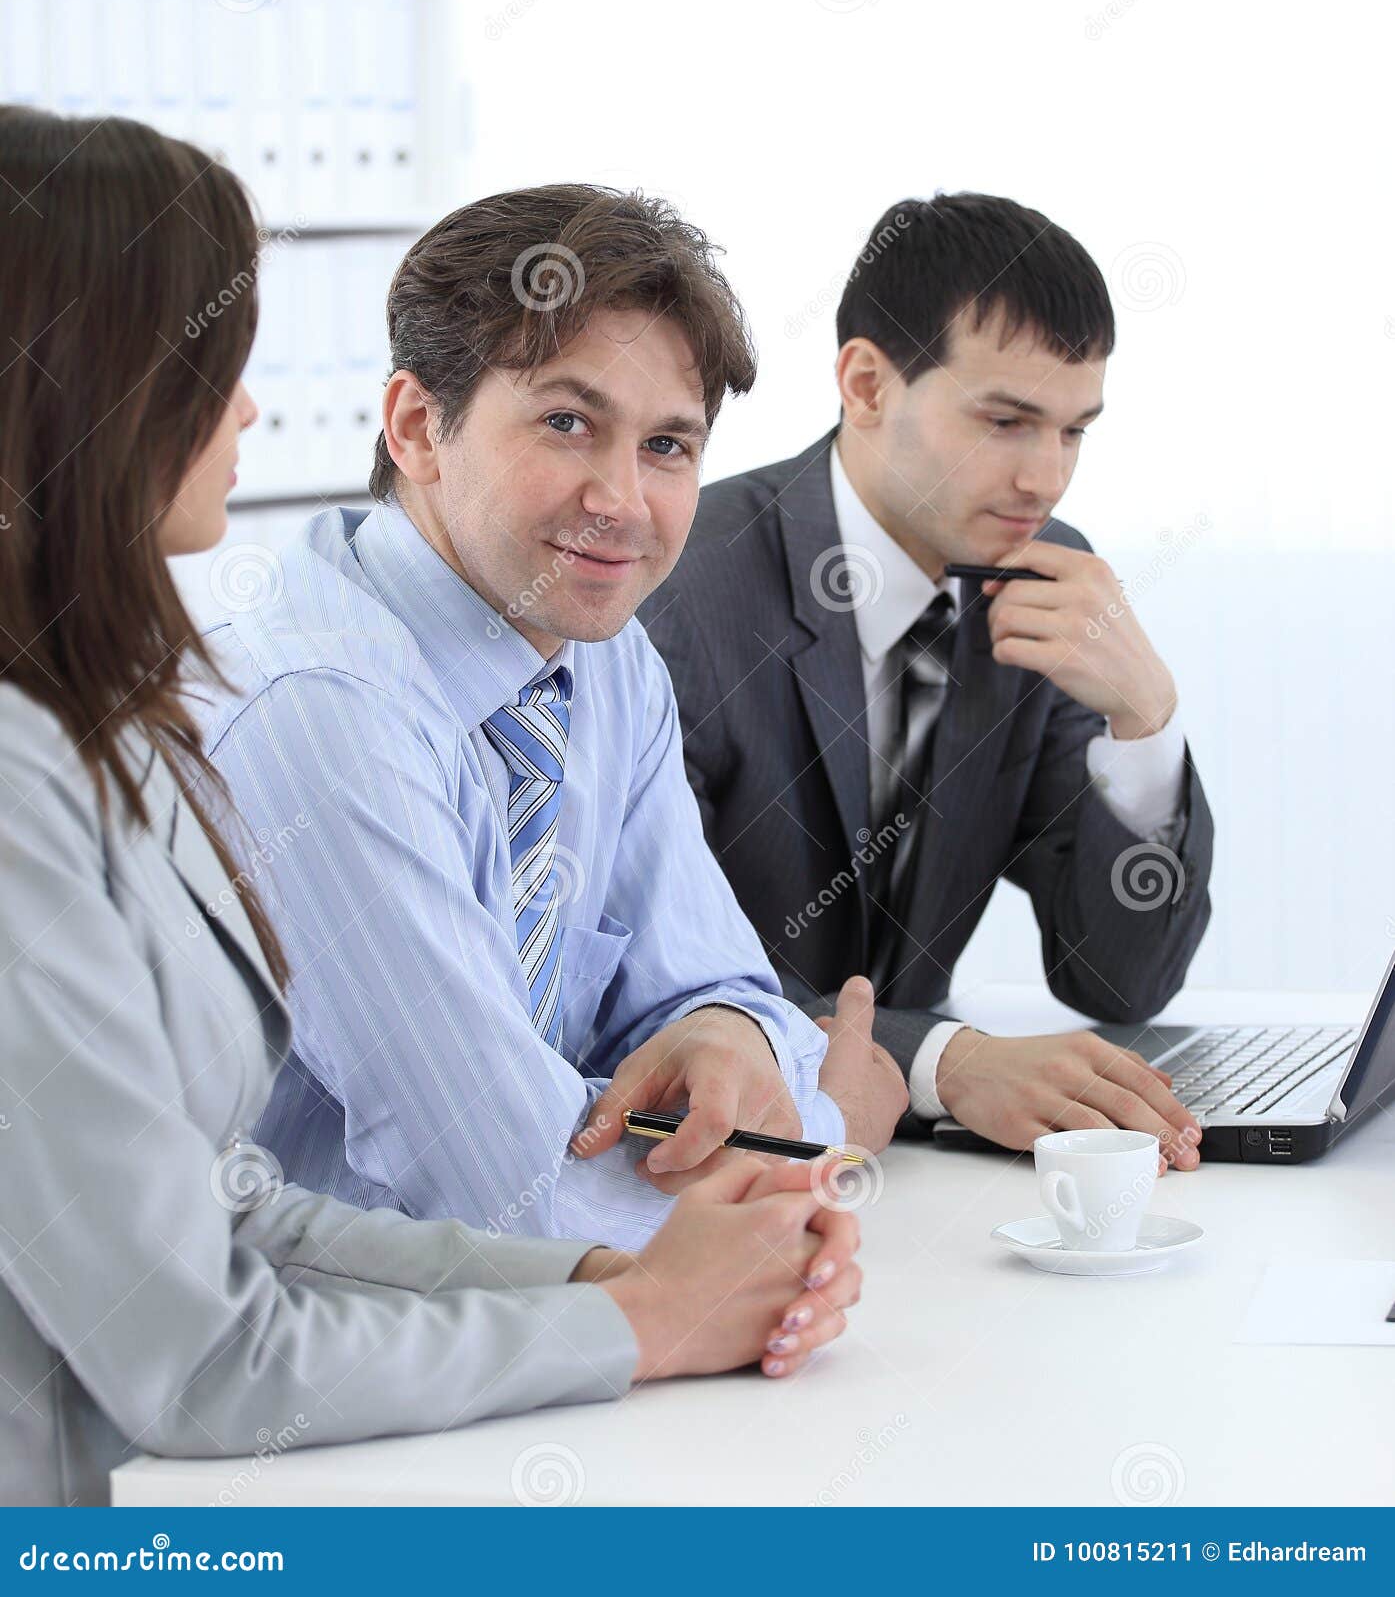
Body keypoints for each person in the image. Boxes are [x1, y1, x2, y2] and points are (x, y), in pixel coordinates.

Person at [0, 109, 863, 1507]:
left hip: (362, 1412)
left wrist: (719, 1121)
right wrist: (655, 1298)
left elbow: (228, 1205)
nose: (249, 410)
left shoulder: (92, 718)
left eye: (667, 444)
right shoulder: (275, 714)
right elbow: (223, 1336)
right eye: (208, 365)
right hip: (193, 1489)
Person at [194, 185, 909, 1252]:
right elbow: (498, 1188)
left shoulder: (604, 658)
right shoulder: (318, 710)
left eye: (667, 446)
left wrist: (727, 1037)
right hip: (323, 1326)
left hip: (545, 1324)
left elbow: (714, 983)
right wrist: (826, 1131)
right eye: (567, 423)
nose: (622, 500)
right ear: (417, 427)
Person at [640, 192, 1213, 1164]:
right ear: (866, 385)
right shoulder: (681, 585)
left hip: (910, 1172)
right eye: (1006, 421)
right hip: (722, 1163)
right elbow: (661, 979)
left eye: (1074, 431)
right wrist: (944, 1062)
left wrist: (1145, 725)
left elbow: (1119, 981)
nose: (1045, 478)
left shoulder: (1041, 578)